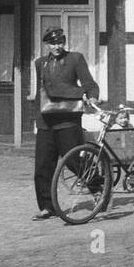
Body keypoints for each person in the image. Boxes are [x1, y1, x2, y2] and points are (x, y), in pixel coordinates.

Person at [30, 26, 100, 220]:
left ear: (65, 42)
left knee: (73, 161)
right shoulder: (40, 63)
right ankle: (47, 207)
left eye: (60, 42)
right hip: (46, 121)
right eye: (53, 43)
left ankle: (98, 187)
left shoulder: (75, 59)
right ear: (46, 44)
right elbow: (40, 93)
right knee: (43, 165)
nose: (57, 46)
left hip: (68, 120)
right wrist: (36, 118)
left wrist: (92, 97)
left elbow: (90, 85)